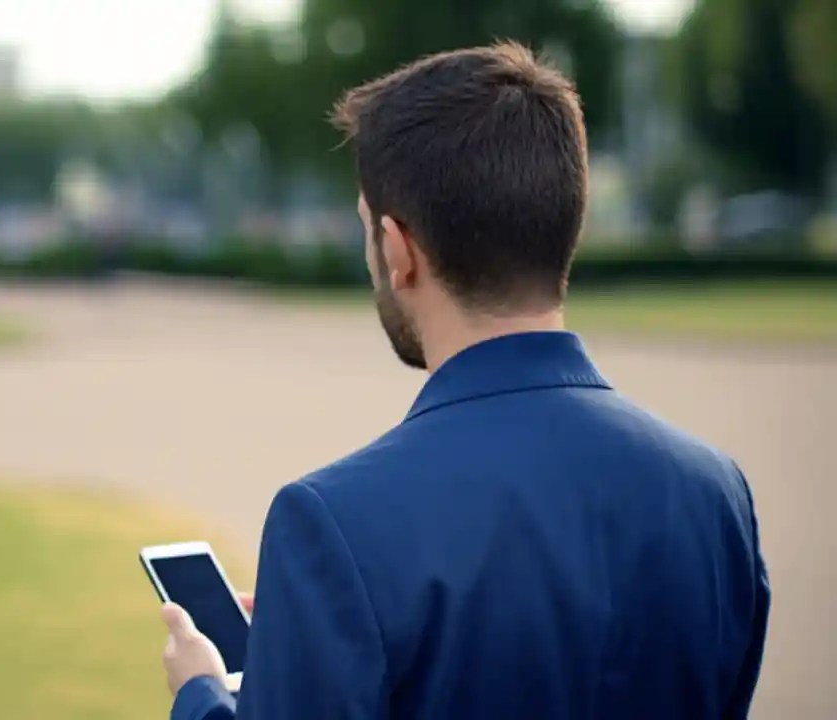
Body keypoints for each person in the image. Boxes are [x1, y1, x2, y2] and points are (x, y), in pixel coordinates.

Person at [158, 43, 769, 720]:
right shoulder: (715, 495)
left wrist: (202, 694)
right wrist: (326, 621)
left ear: (398, 250)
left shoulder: (333, 521)